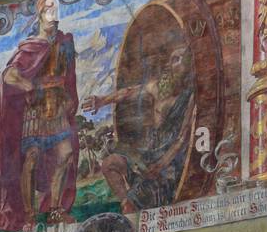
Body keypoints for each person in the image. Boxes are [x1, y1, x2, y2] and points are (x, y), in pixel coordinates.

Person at [0, 0, 79, 230]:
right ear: (39, 14)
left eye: (57, 11)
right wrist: (31, 87)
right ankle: (29, 214)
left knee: (65, 153)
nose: (55, 16)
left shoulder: (64, 43)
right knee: (32, 158)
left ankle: (56, 210)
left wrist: (68, 99)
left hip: (56, 106)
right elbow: (9, 75)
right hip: (35, 109)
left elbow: (69, 77)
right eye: (49, 10)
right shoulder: (31, 46)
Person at [80, 44, 194, 212]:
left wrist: (160, 166)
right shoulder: (157, 88)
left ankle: (132, 206)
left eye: (179, 60)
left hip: (169, 164)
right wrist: (103, 100)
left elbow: (182, 139)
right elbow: (128, 92)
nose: (171, 65)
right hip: (149, 155)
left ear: (189, 67)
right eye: (172, 59)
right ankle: (128, 201)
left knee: (140, 202)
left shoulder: (189, 97)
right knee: (109, 164)